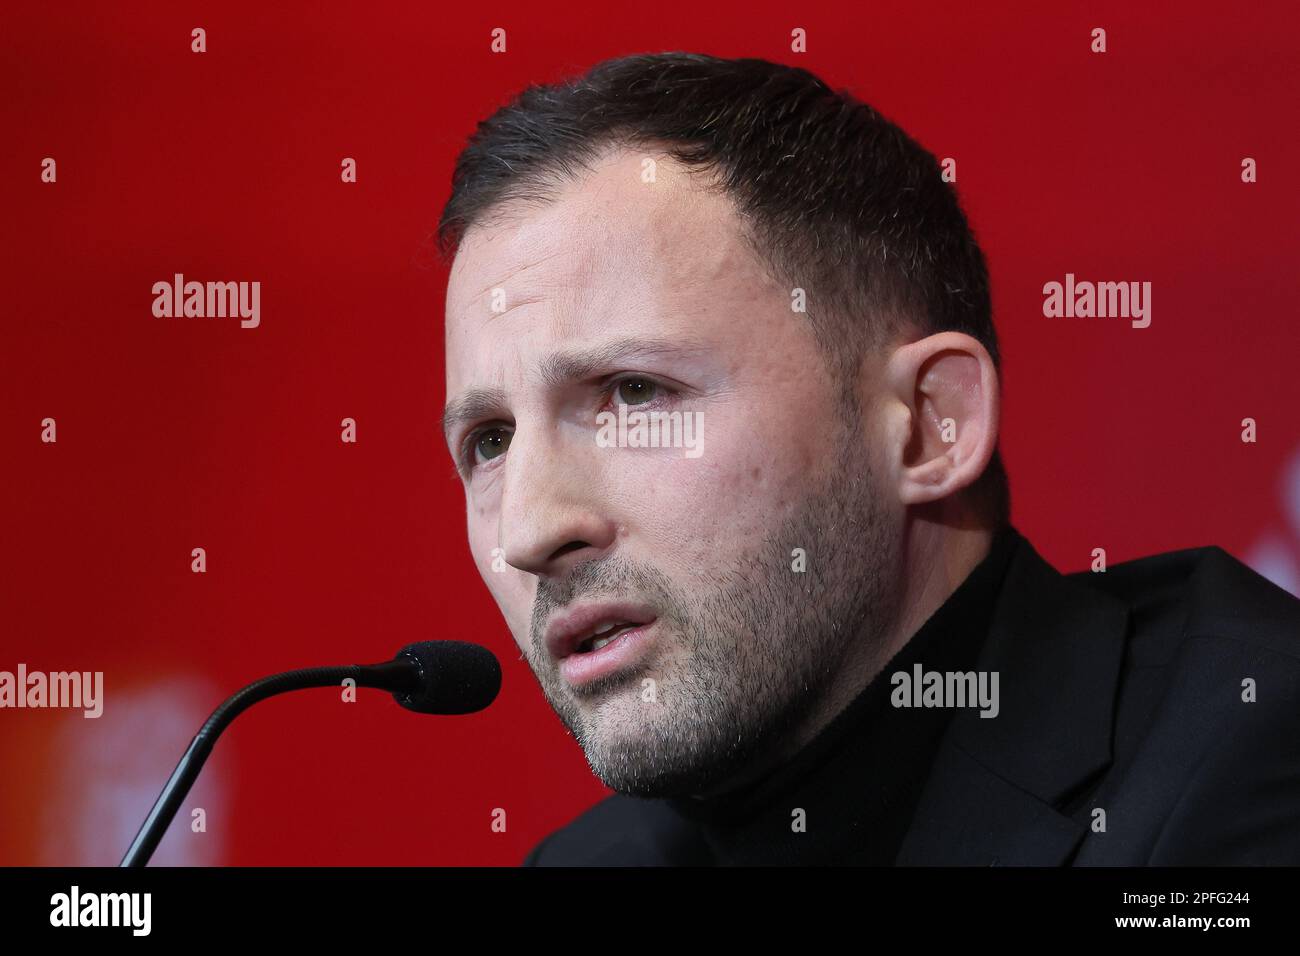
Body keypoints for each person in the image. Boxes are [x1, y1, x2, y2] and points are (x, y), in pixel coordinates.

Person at [435, 52, 1300, 865]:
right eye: (492, 441)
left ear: (930, 425)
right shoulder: (586, 862)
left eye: (633, 394)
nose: (530, 530)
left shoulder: (1254, 753)